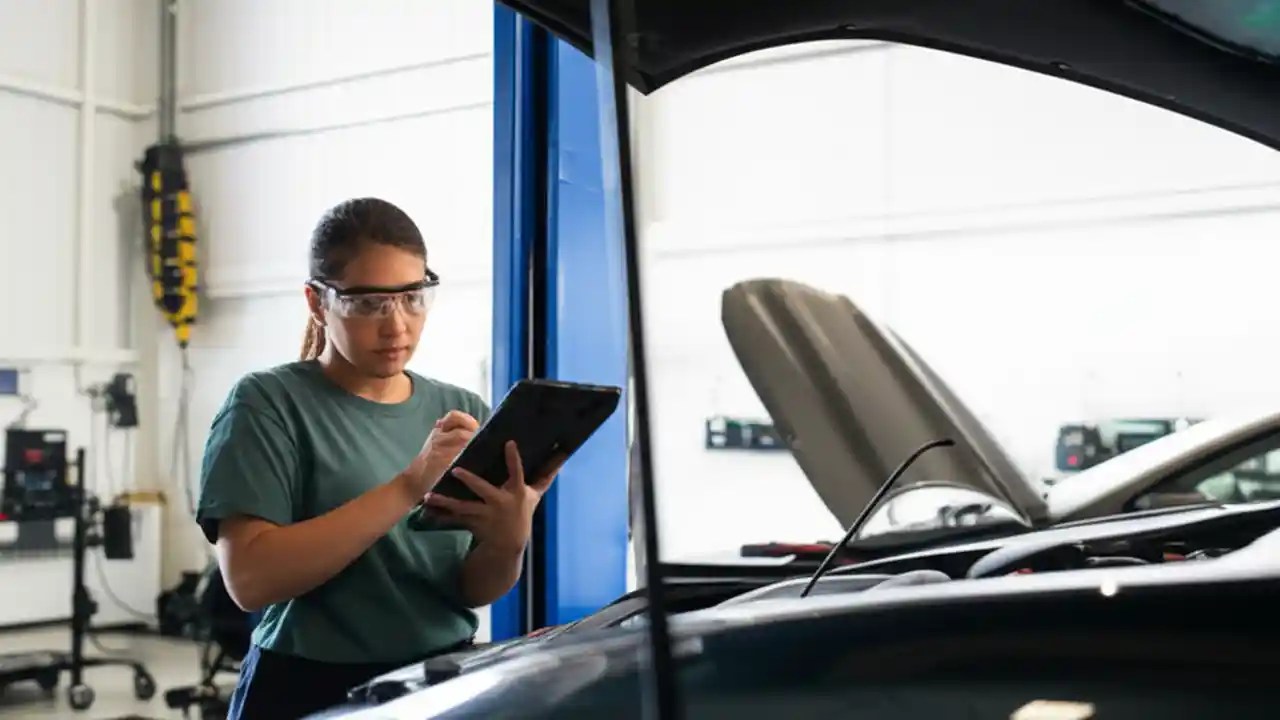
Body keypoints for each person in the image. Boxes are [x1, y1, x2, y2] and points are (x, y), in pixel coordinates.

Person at [196, 197, 564, 719]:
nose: (397, 327)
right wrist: (409, 485)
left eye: (413, 297)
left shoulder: (460, 411)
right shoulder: (267, 404)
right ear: (317, 302)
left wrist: (509, 538)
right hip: (309, 688)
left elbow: (469, 588)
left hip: (440, 681)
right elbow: (251, 581)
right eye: (368, 303)